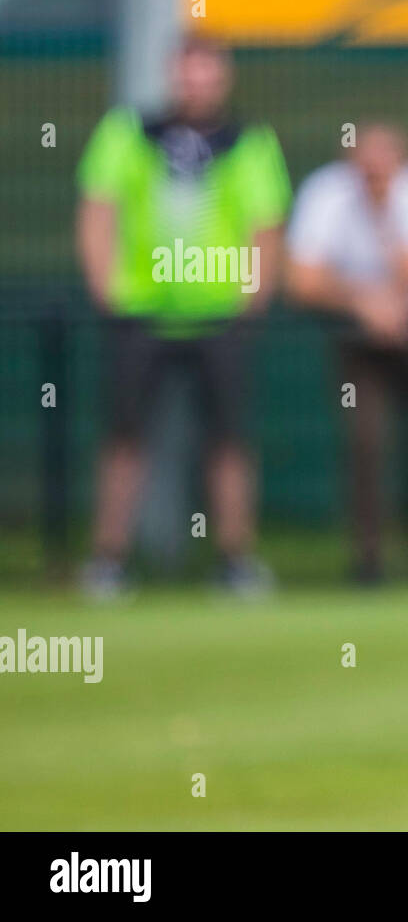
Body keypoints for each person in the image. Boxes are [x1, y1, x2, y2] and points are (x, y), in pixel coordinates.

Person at [76, 34, 291, 599]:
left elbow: (265, 224)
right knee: (125, 437)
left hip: (221, 315)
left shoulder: (249, 142)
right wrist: (107, 289)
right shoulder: (128, 132)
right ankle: (108, 562)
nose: (196, 82)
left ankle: (235, 561)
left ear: (224, 78)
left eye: (208, 72)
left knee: (229, 441)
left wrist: (253, 297)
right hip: (141, 313)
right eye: (187, 71)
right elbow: (99, 208)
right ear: (172, 75)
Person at [286, 123, 408, 584]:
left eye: (385, 169)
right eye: (366, 168)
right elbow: (303, 281)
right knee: (364, 441)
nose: (374, 177)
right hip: (356, 333)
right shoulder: (324, 194)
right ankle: (368, 561)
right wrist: (365, 302)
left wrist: (384, 216)